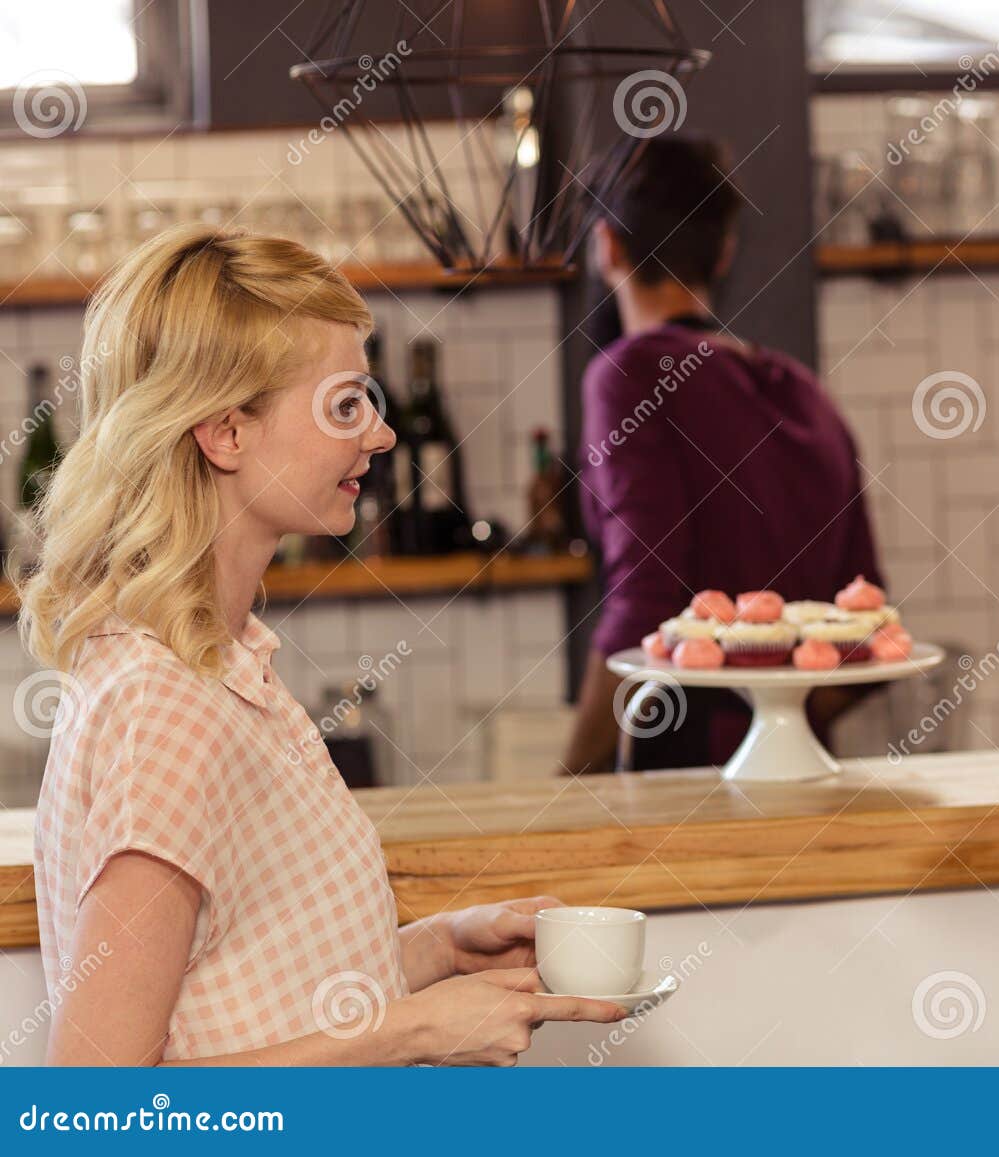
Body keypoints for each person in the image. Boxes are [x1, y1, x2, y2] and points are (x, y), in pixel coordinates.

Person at [21, 225, 626, 1065]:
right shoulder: (164, 706)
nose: (378, 436)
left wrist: (437, 948)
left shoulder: (221, 667)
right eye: (345, 404)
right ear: (225, 431)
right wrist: (413, 1030)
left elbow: (250, 983)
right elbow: (95, 1111)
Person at [563, 135, 884, 774]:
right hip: (809, 776)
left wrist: (563, 783)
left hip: (684, 780)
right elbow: (865, 615)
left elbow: (644, 597)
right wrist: (784, 720)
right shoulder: (800, 388)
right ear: (726, 249)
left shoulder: (625, 375)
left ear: (607, 246)